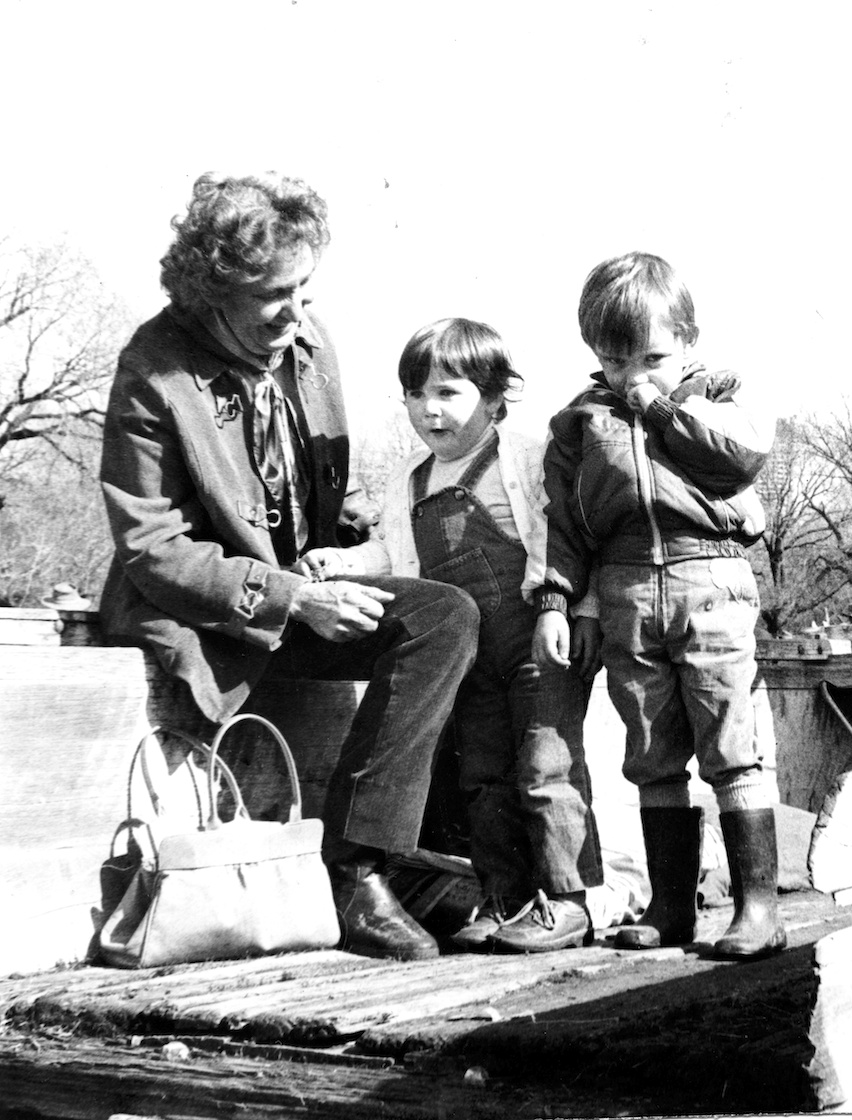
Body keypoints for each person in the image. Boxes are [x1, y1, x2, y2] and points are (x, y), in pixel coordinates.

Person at [98, 172, 479, 962]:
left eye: (305, 289)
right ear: (213, 292)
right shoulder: (153, 371)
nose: (297, 312)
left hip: (306, 588)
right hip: (213, 615)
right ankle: (362, 883)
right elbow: (151, 546)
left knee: (447, 614)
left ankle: (375, 864)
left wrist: (361, 541)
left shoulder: (308, 343)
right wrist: (293, 597)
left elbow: (321, 487)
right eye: (274, 295)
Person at [301, 317, 606, 953]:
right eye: (415, 394)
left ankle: (567, 900)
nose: (428, 410)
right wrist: (345, 562)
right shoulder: (409, 477)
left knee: (546, 766)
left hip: (534, 640)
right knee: (483, 776)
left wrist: (576, 611)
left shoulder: (526, 459)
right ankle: (504, 899)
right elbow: (396, 555)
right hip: (469, 657)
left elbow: (571, 542)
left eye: (447, 393)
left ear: (494, 398)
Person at [531, 252, 784, 960]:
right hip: (626, 589)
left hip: (710, 577)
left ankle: (759, 907)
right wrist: (557, 602)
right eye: (615, 363)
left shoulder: (719, 397)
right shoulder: (578, 423)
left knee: (730, 743)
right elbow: (565, 523)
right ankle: (672, 908)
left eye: (652, 358)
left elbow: (736, 459)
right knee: (651, 752)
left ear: (688, 340)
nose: (631, 376)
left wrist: (660, 407)